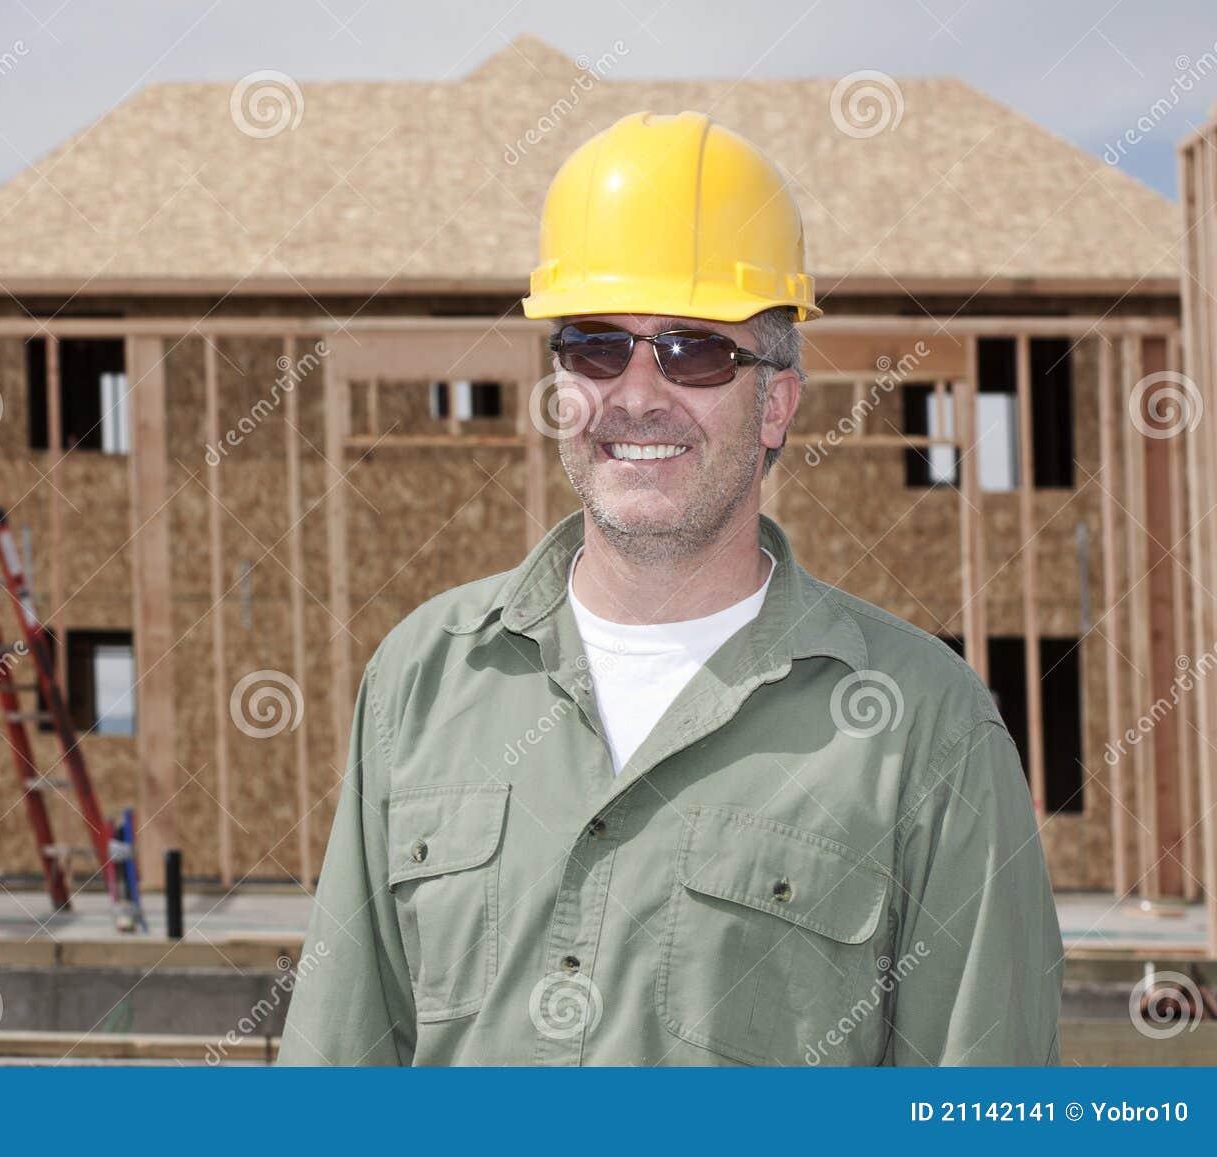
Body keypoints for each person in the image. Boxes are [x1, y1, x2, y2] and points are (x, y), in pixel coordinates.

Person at [279, 111, 1062, 1066]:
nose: (638, 394)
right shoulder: (422, 678)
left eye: (695, 350)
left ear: (776, 403)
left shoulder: (924, 730)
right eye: (597, 346)